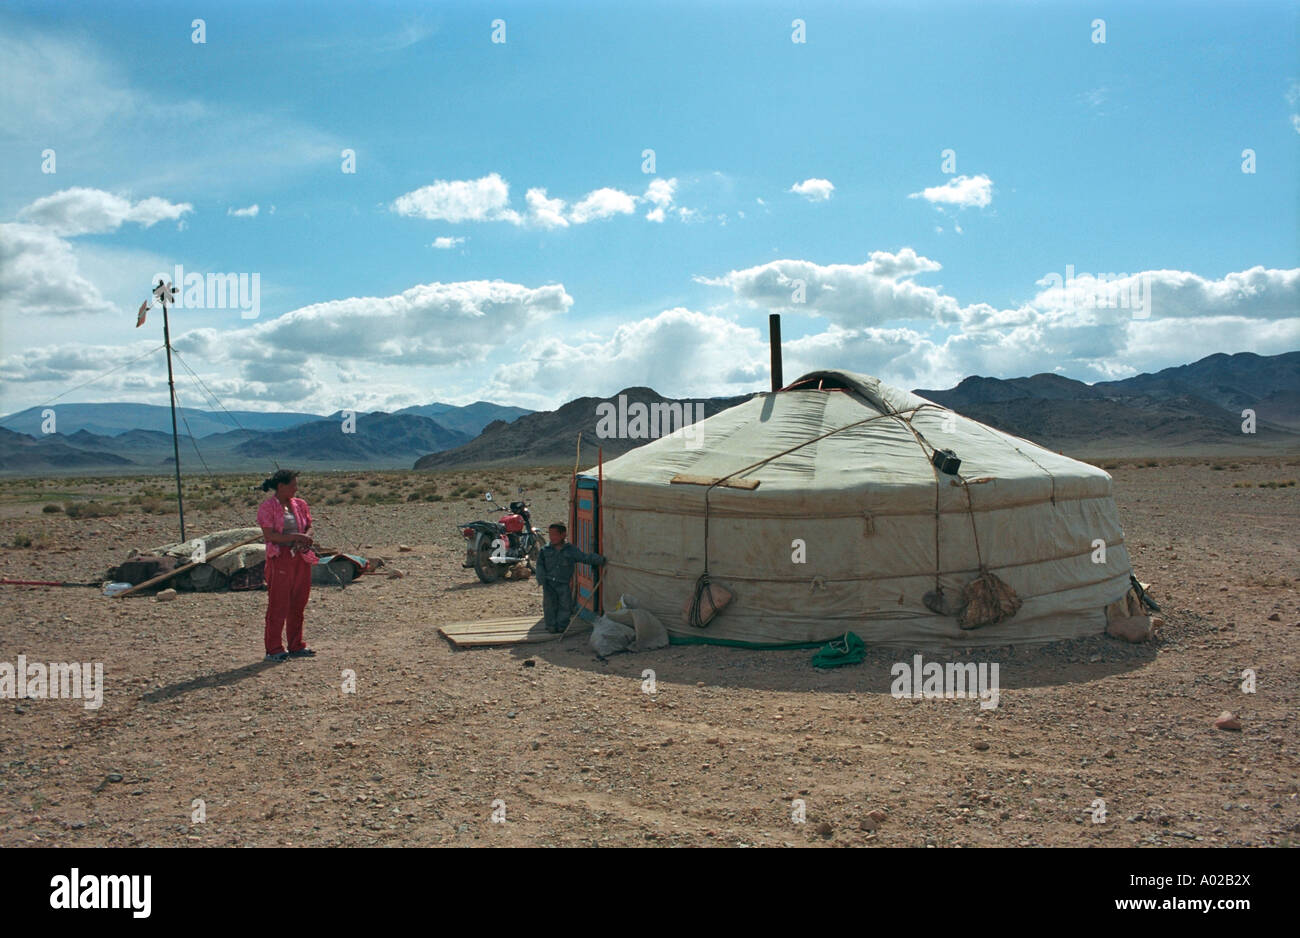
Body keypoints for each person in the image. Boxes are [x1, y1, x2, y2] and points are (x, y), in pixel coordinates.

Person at [256, 469, 319, 662]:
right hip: (280, 557)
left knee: (299, 601)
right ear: (281, 486)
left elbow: (309, 525)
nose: (296, 488)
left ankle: (296, 644)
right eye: (293, 485)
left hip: (300, 556)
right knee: (279, 603)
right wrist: (295, 537)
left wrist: (306, 537)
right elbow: (270, 536)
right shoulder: (267, 508)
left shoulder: (300, 504)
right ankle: (274, 648)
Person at [535, 522, 605, 633]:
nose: (552, 538)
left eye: (555, 535)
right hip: (549, 583)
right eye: (550, 535)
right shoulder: (545, 550)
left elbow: (584, 558)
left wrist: (600, 560)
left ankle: (562, 626)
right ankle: (551, 626)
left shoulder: (571, 550)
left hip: (563, 583)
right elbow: (539, 565)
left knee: (565, 605)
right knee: (549, 605)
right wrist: (541, 579)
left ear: (563, 535)